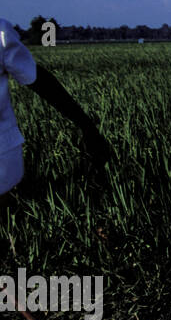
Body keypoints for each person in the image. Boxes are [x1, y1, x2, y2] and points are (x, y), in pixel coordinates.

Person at [1, 18, 111, 198]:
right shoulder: (1, 32)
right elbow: (38, 80)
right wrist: (87, 126)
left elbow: (38, 79)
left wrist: (86, 126)